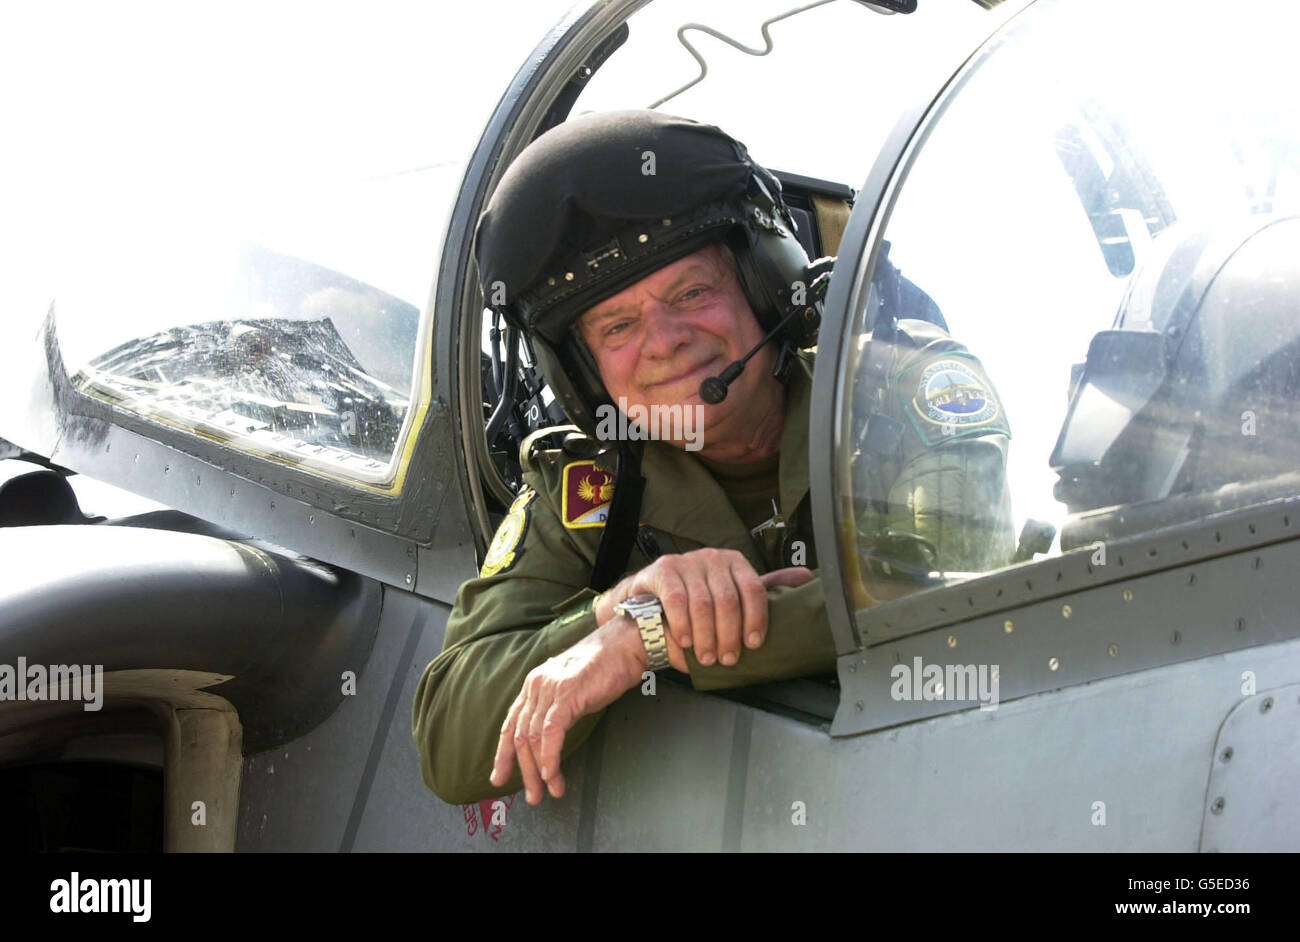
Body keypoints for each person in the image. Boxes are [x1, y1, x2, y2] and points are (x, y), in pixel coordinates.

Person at [412, 110, 1012, 807]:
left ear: (764, 285)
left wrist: (646, 641)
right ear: (581, 371)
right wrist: (610, 611)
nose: (664, 341)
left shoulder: (898, 390)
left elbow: (950, 590)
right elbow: (452, 742)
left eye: (692, 293)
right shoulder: (583, 491)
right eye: (618, 326)